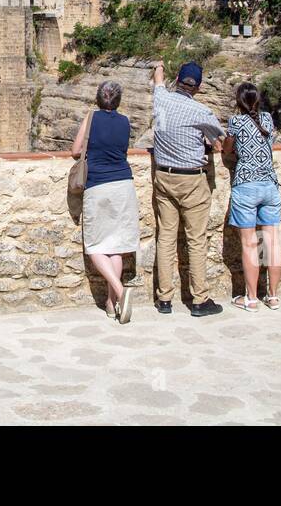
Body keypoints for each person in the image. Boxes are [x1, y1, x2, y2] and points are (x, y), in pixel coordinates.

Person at [150, 61, 225, 316]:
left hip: (163, 176)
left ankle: (164, 298)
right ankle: (200, 299)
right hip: (191, 180)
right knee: (196, 240)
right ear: (199, 87)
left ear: (177, 80)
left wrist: (159, 66)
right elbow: (219, 140)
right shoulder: (201, 111)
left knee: (166, 237)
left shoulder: (161, 99)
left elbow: (158, 79)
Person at [70, 80, 139, 324]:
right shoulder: (125, 122)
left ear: (98, 99)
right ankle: (112, 304)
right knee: (115, 246)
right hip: (124, 185)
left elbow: (76, 150)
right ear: (117, 101)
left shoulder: (91, 118)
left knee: (96, 246)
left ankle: (120, 292)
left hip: (98, 185)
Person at [223, 82, 281, 312]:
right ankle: (274, 296)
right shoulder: (267, 119)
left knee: (249, 245)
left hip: (246, 184)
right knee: (272, 242)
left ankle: (251, 298)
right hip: (270, 184)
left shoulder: (236, 122)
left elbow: (228, 149)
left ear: (238, 101)